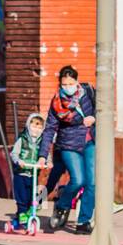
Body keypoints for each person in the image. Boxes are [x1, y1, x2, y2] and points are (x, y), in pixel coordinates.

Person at [38, 65, 96, 234]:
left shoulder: (88, 92)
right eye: (64, 85)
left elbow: (103, 110)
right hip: (68, 144)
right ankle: (62, 206)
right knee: (78, 180)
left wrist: (94, 118)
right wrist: (43, 155)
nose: (68, 88)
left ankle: (83, 221)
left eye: (70, 84)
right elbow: (49, 129)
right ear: (60, 84)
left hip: (89, 141)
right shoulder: (57, 103)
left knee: (92, 183)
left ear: (76, 82)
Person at [9, 113, 46, 230]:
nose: (36, 130)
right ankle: (22, 219)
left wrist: (48, 162)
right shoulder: (22, 139)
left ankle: (23, 219)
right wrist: (18, 161)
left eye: (39, 127)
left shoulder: (42, 142)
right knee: (22, 199)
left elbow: (46, 154)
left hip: (33, 174)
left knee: (33, 199)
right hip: (21, 173)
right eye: (34, 126)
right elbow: (14, 153)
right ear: (28, 126)